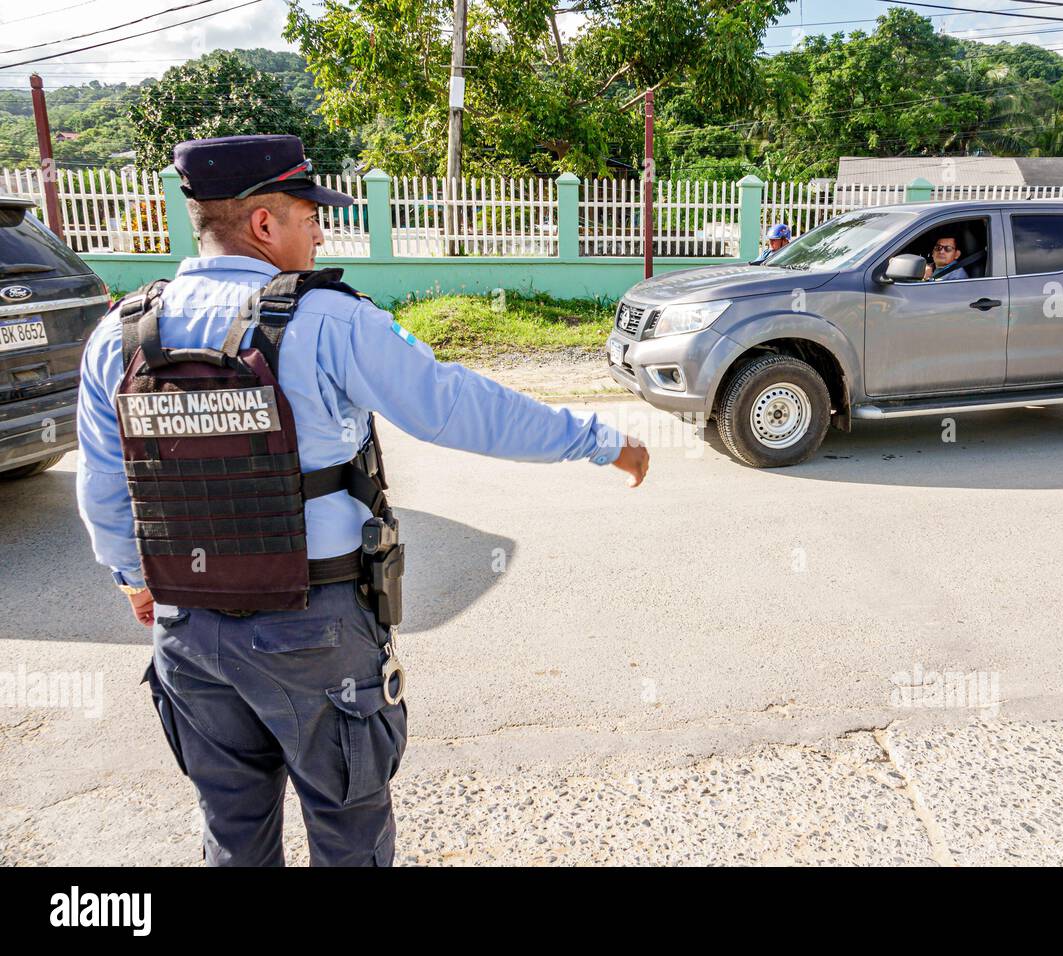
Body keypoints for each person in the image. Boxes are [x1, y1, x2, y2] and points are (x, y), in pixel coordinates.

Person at [75, 134, 649, 866]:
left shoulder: (118, 334)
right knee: (350, 833)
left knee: (231, 833)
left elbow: (104, 487)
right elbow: (454, 406)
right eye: (309, 212)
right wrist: (597, 438)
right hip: (312, 633)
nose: (320, 228)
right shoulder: (327, 320)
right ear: (262, 224)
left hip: (188, 633)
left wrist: (133, 578)